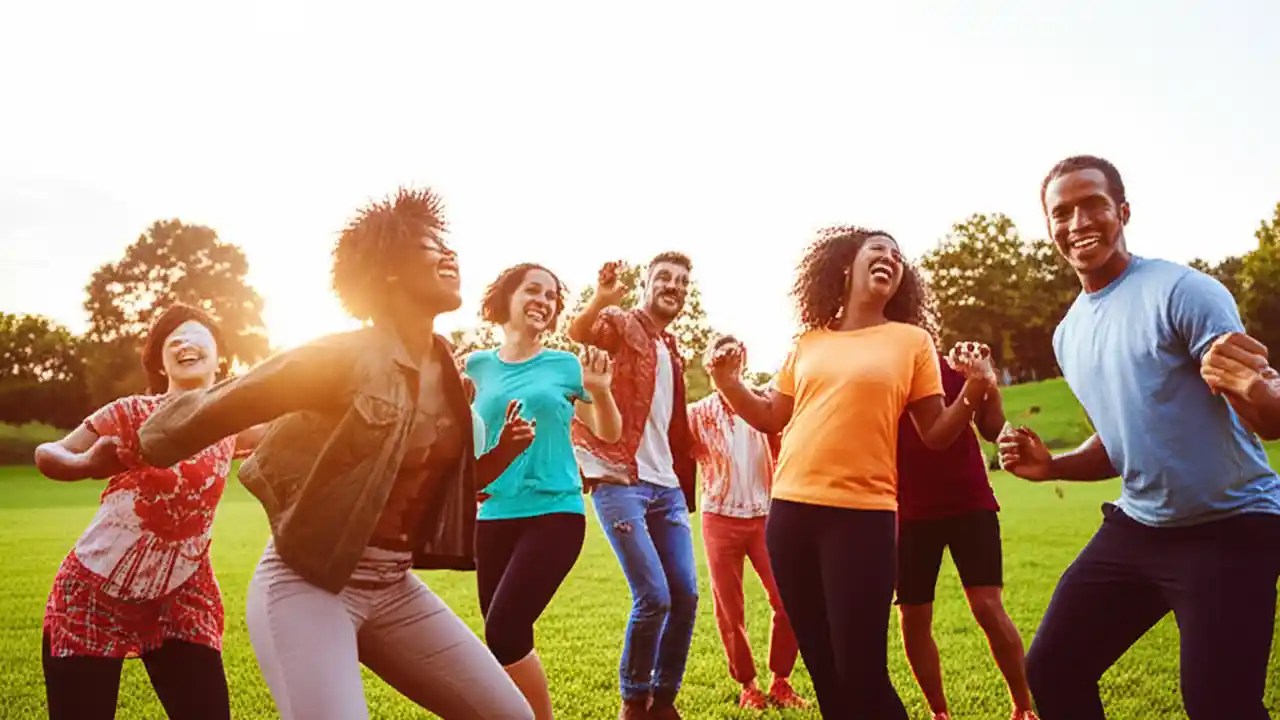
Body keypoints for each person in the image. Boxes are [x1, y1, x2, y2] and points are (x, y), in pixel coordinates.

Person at [131, 187, 535, 720]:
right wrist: (133, 443)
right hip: (307, 584)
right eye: (429, 246)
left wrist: (502, 453)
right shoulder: (346, 355)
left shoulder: (447, 373)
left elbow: (422, 482)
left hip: (391, 586)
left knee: (512, 716)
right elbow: (231, 399)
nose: (448, 254)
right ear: (388, 271)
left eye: (448, 244)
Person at [998, 155, 1280, 720]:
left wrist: (1260, 392)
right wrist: (1052, 465)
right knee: (1053, 669)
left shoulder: (1183, 291)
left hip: (1230, 528)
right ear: (1051, 227)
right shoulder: (1068, 334)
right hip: (1139, 530)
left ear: (1122, 211)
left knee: (1221, 705)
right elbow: (1119, 442)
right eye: (1063, 212)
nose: (1078, 222)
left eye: (1092, 204)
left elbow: (1265, 417)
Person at [707, 226, 995, 719]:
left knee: (862, 672)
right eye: (877, 250)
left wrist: (974, 388)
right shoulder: (808, 343)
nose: (890, 258)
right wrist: (727, 382)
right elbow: (772, 416)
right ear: (847, 266)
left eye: (897, 256)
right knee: (823, 669)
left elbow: (937, 432)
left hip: (862, 517)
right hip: (791, 515)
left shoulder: (911, 341)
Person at [34, 303, 261, 720]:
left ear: (219, 353)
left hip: (182, 598)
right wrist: (86, 465)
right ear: (160, 362)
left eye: (196, 334)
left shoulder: (230, 421)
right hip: (91, 595)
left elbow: (295, 429)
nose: (183, 342)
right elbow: (50, 453)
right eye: (171, 340)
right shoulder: (130, 412)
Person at [464, 262, 623, 719]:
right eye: (532, 290)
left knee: (506, 630)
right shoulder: (475, 365)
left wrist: (600, 390)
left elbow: (608, 432)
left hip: (555, 511)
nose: (543, 301)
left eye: (551, 296)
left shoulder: (566, 365)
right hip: (493, 514)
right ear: (506, 299)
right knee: (505, 640)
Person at [566, 254, 699, 720]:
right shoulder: (621, 323)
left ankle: (663, 702)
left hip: (666, 487)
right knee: (654, 597)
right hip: (620, 478)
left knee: (685, 596)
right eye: (663, 277)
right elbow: (580, 334)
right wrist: (601, 297)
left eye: (682, 281)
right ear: (646, 284)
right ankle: (633, 702)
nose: (673, 286)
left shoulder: (673, 347)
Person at [894, 342, 1038, 720]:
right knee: (913, 616)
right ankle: (939, 713)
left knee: (988, 607)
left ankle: (1023, 707)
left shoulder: (954, 365)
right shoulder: (881, 369)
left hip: (968, 501)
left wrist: (986, 382)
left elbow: (991, 429)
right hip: (908, 510)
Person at [686, 334, 807, 712]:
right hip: (719, 517)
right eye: (721, 361)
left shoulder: (766, 405)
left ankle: (781, 681)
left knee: (789, 599)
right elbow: (675, 455)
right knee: (729, 609)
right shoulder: (696, 414)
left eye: (736, 359)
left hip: (766, 517)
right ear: (710, 367)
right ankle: (748, 685)